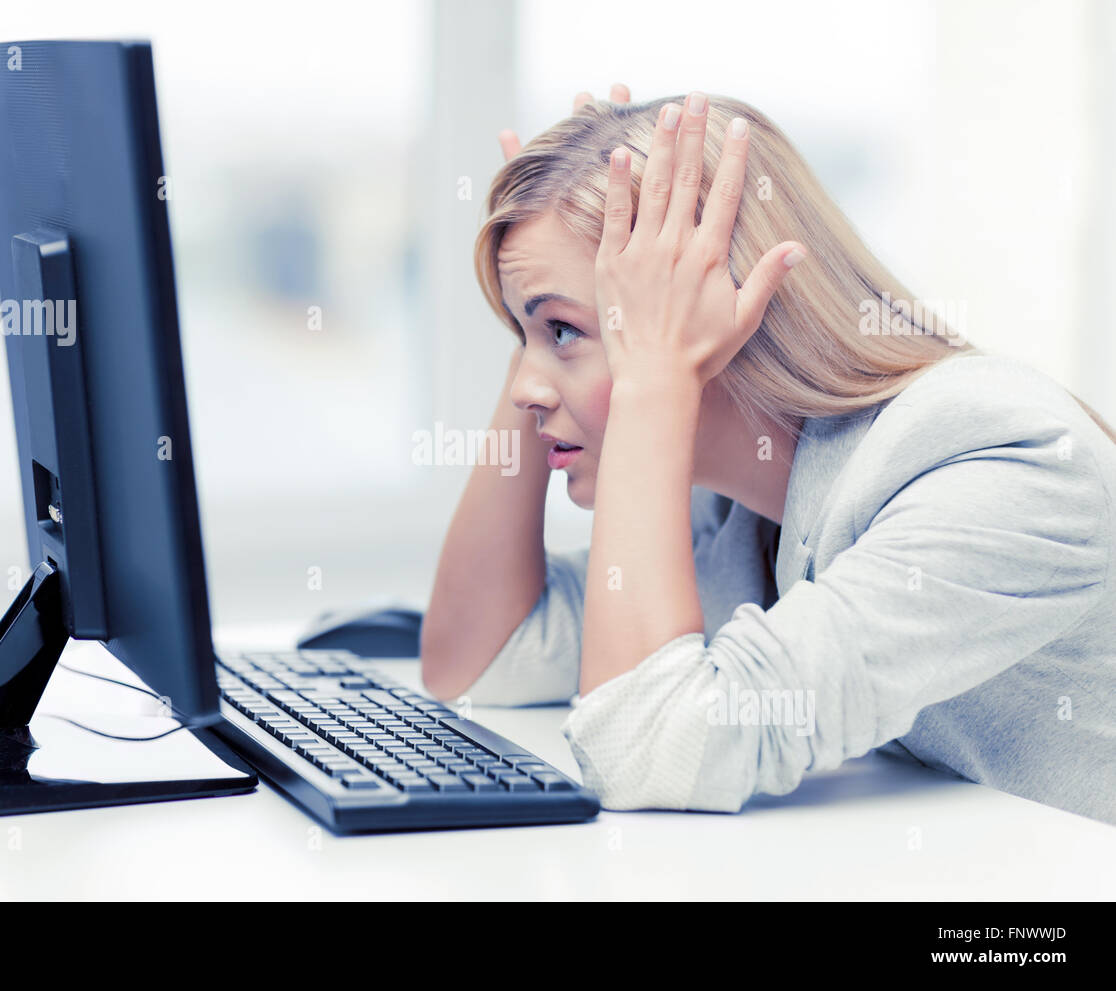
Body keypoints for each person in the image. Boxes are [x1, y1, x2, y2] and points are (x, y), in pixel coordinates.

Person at [421, 85, 1116, 826]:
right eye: (522, 336)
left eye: (564, 331)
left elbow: (650, 748)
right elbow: (476, 657)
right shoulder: (730, 501)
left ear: (716, 310)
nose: (526, 388)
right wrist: (533, 299)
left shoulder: (997, 461)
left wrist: (654, 377)